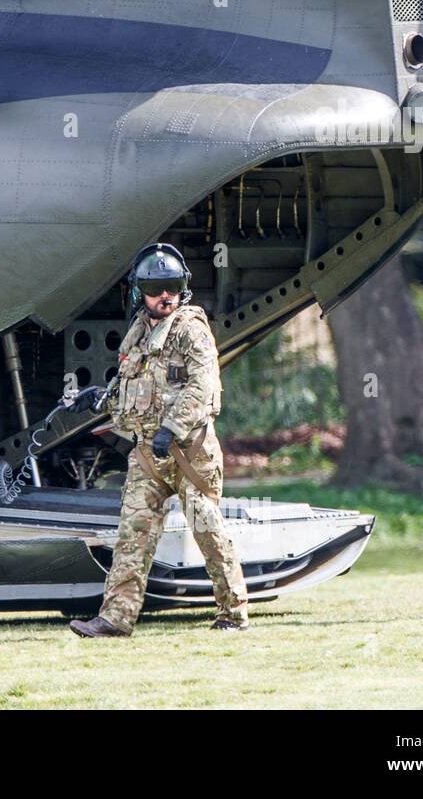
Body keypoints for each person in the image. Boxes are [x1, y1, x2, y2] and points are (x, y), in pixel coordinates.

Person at [71, 243, 249, 636]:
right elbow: (135, 387)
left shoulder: (190, 329)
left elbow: (205, 384)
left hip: (190, 453)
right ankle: (115, 619)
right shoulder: (137, 335)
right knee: (132, 533)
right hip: (149, 454)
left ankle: (232, 614)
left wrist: (174, 427)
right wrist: (101, 398)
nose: (164, 295)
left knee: (208, 530)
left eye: (171, 286)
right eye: (156, 288)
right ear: (141, 293)